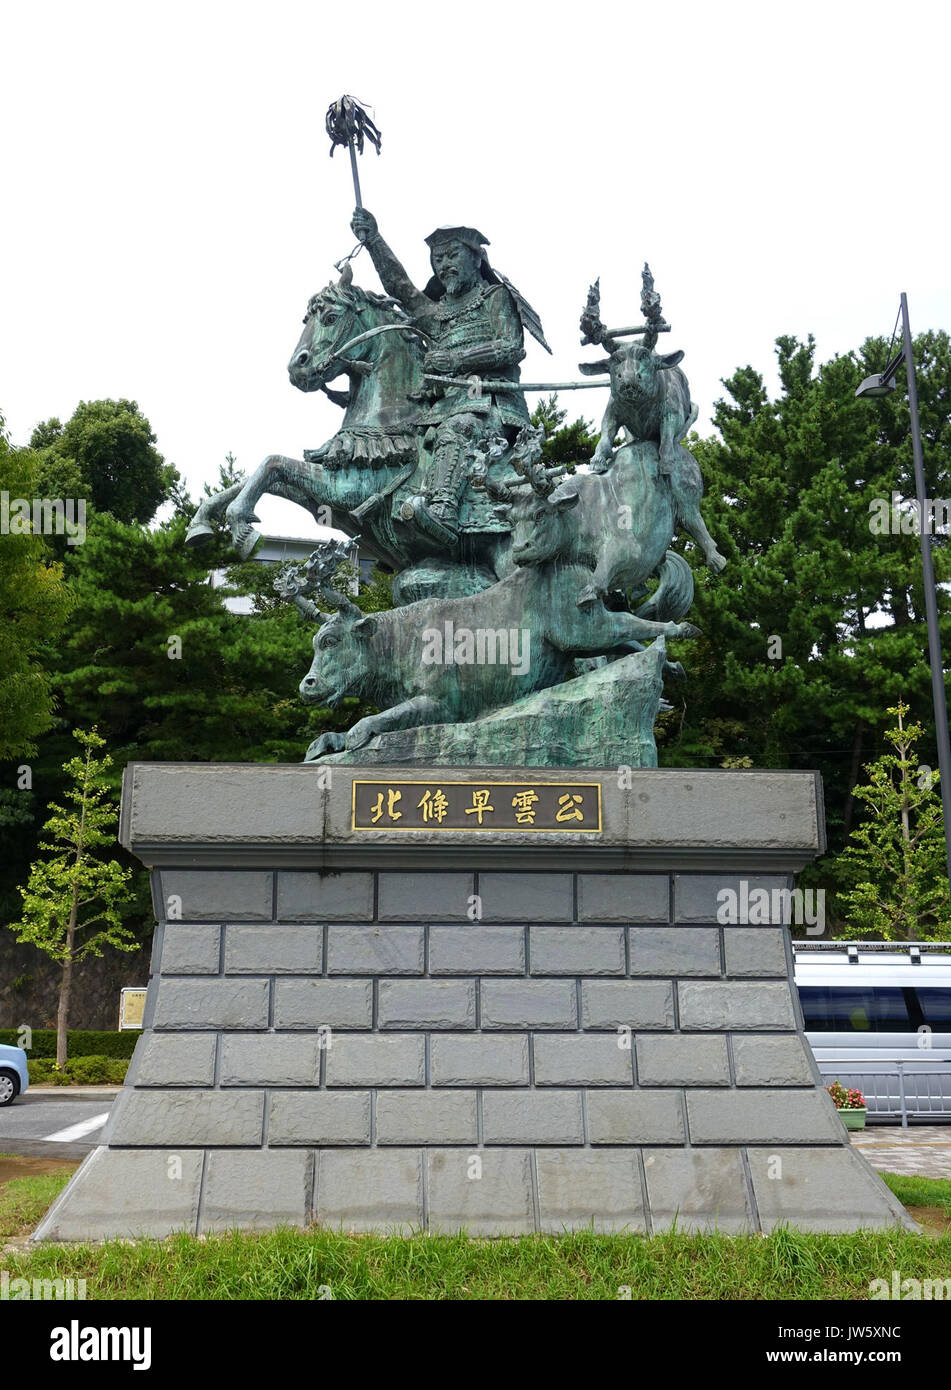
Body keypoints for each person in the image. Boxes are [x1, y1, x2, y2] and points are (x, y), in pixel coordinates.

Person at [351, 208, 549, 543]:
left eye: (452, 255)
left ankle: (441, 511)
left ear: (476, 258)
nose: (444, 265)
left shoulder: (494, 297)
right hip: (440, 405)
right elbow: (400, 286)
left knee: (461, 428)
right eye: (437, 259)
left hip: (490, 402)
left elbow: (511, 347)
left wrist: (455, 361)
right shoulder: (436, 312)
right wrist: (373, 241)